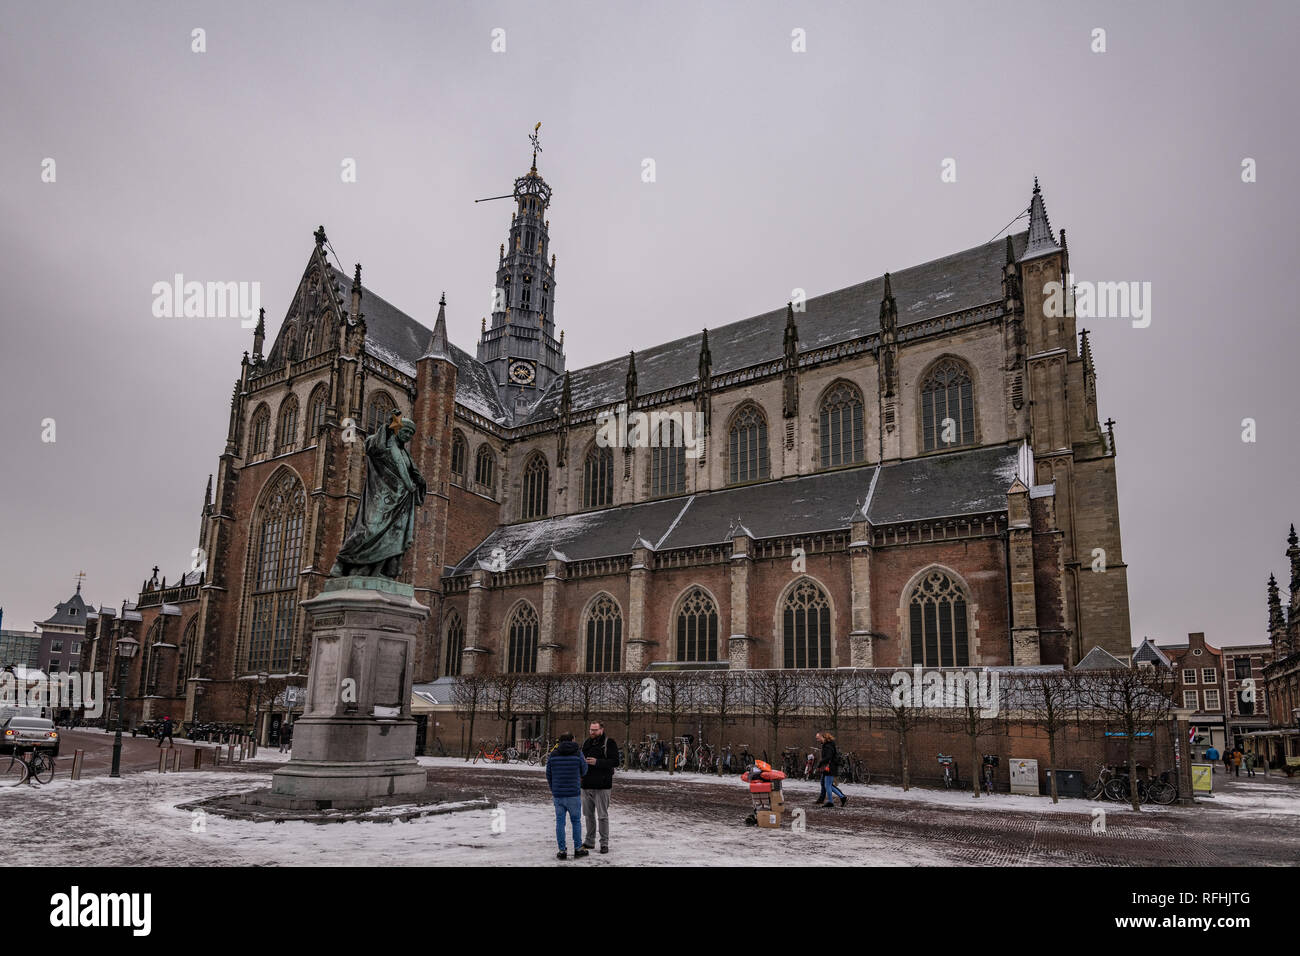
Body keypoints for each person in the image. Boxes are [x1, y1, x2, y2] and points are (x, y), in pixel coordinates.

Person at [545, 732, 588, 860]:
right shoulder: (578, 753)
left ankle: (562, 851)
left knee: (560, 822)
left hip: (558, 795)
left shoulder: (553, 754)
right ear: (572, 739)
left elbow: (548, 774)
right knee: (576, 822)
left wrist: (554, 789)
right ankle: (578, 848)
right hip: (573, 794)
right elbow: (584, 770)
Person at [580, 720, 620, 855]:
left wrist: (597, 762)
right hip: (586, 785)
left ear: (601, 730)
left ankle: (604, 843)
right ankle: (589, 841)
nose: (592, 732)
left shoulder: (609, 743)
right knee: (588, 815)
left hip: (602, 786)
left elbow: (615, 762)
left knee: (602, 816)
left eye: (595, 730)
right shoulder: (586, 742)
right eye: (591, 730)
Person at [819, 731, 847, 808]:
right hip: (831, 767)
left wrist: (820, 763)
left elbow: (828, 757)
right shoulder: (829, 745)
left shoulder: (828, 746)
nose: (819, 739)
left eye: (820, 738)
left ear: (824, 738)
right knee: (828, 785)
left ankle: (832, 801)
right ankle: (842, 797)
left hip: (830, 768)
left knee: (827, 785)